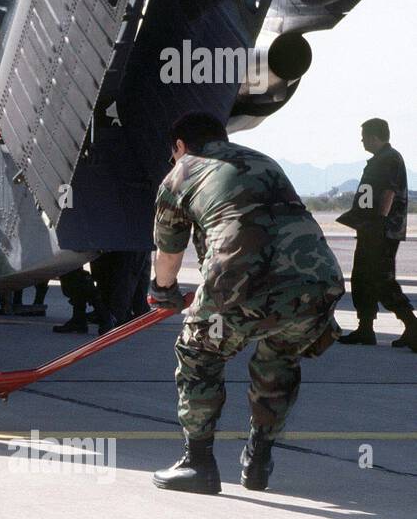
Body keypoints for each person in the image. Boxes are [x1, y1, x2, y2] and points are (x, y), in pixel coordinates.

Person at [149, 113, 343, 494]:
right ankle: (259, 457)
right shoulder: (262, 161)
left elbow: (168, 254)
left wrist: (162, 292)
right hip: (317, 283)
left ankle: (198, 463)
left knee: (198, 353)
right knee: (278, 359)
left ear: (180, 147)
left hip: (239, 285)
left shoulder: (181, 174)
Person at [337, 118, 415, 349]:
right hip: (369, 228)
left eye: (364, 136)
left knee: (381, 280)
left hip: (380, 231)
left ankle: (412, 326)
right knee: (362, 278)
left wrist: (379, 223)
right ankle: (365, 329)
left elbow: (389, 192)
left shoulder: (389, 159)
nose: (361, 141)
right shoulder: (379, 160)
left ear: (374, 137)